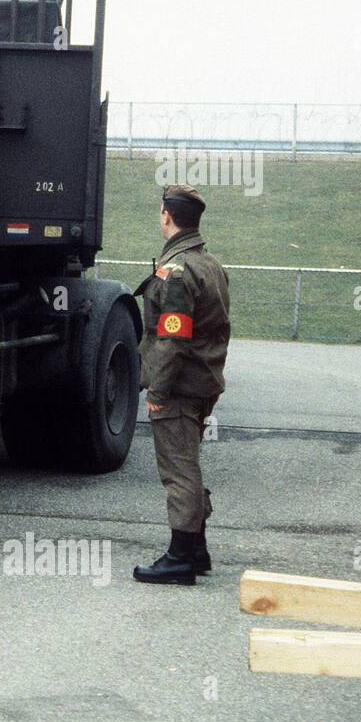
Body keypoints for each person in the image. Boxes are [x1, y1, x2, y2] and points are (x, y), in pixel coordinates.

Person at [133, 184, 231, 585]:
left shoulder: (177, 271)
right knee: (187, 462)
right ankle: (196, 549)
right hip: (202, 380)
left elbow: (173, 339)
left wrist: (157, 391)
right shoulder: (210, 264)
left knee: (178, 471)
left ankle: (179, 559)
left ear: (167, 216)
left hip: (178, 384)